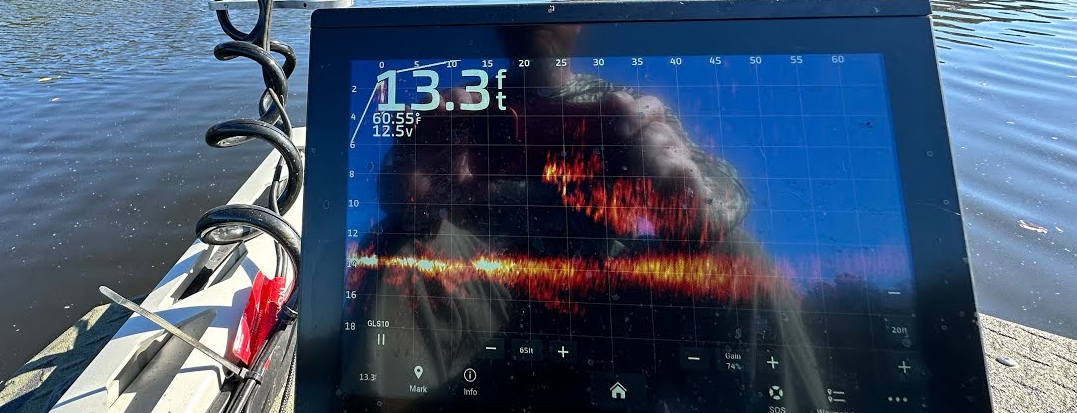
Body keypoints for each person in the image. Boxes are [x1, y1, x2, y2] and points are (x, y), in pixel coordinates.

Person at [346, 25, 827, 411]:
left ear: (579, 29)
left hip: (612, 285)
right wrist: (411, 191)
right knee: (403, 250)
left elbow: (722, 196)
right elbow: (403, 203)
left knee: (735, 257)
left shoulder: (624, 106)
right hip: (488, 282)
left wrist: (691, 198)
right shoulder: (467, 108)